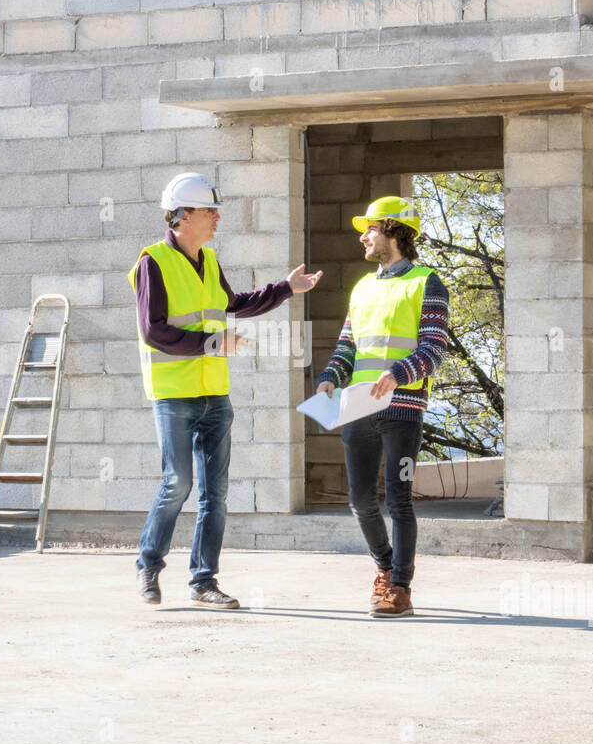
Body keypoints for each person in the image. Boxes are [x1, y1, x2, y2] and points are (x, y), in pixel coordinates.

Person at [129, 172, 322, 609]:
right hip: (174, 394)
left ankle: (203, 582)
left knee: (215, 493)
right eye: (209, 210)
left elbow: (232, 304)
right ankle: (148, 565)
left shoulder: (210, 261)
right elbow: (153, 332)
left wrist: (285, 289)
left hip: (215, 394)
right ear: (183, 216)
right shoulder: (152, 262)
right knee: (177, 483)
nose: (217, 217)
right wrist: (213, 343)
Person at [314, 196, 449, 618]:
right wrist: (330, 377)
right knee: (359, 501)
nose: (363, 236)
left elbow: (434, 347)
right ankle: (385, 568)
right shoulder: (363, 287)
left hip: (403, 408)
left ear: (393, 231)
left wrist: (401, 372)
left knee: (400, 501)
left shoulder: (428, 282)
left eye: (370, 228)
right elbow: (348, 346)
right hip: (358, 408)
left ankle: (400, 588)